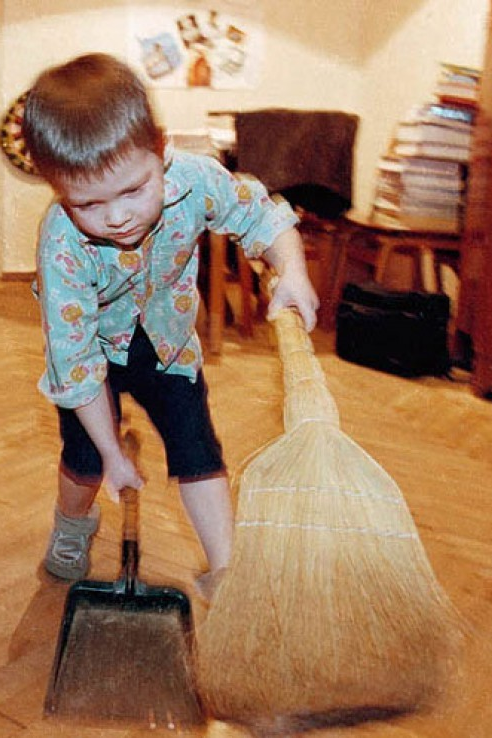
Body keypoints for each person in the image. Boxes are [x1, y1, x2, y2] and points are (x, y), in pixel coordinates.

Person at [21, 53, 318, 600]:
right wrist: (113, 455)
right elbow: (76, 366)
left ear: (160, 148)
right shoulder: (60, 243)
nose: (116, 217)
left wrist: (292, 271)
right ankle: (71, 524)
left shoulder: (196, 179)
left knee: (198, 450)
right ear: (58, 188)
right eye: (88, 202)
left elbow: (263, 215)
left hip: (169, 345)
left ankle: (227, 570)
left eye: (133, 191)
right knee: (85, 461)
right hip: (92, 356)